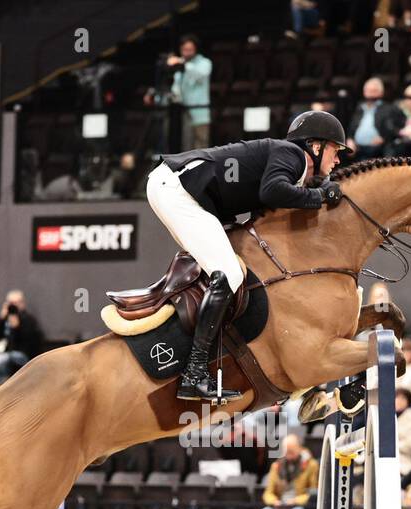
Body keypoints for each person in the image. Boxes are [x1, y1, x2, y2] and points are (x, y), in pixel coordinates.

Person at [147, 110, 348, 401]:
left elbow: (270, 204)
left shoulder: (289, 162)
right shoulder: (291, 153)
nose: (338, 159)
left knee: (226, 270)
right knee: (228, 273)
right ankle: (193, 375)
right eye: (335, 150)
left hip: (177, 189)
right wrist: (319, 197)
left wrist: (316, 189)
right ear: (315, 147)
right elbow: (273, 191)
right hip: (177, 190)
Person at [0, 290, 46, 387]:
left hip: (21, 353)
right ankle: (1, 383)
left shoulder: (28, 319)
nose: (12, 306)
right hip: (2, 352)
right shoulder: (5, 319)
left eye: (15, 303)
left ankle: (6, 385)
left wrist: (17, 328)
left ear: (22, 303)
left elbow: (31, 342)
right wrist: (1, 319)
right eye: (10, 303)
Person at [255, 433, 319, 509]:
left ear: (299, 449)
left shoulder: (311, 465)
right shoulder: (276, 466)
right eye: (287, 451)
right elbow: (268, 492)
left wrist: (295, 501)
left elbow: (314, 492)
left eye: (292, 452)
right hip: (280, 505)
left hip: (299, 505)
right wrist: (275, 502)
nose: (289, 455)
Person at [166, 36, 212, 151]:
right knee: (185, 146)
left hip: (200, 113)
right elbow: (176, 88)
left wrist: (181, 63)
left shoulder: (205, 63)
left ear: (195, 49)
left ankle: (202, 169)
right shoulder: (180, 68)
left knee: (201, 145)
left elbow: (200, 74)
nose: (186, 53)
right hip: (183, 112)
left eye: (189, 49)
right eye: (184, 50)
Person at [346, 77, 402, 160]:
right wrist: (350, 139)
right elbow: (351, 128)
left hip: (378, 149)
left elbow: (395, 129)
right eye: (368, 91)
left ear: (381, 93)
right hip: (358, 149)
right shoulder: (359, 108)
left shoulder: (389, 109)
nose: (371, 94)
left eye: (374, 91)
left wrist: (383, 138)